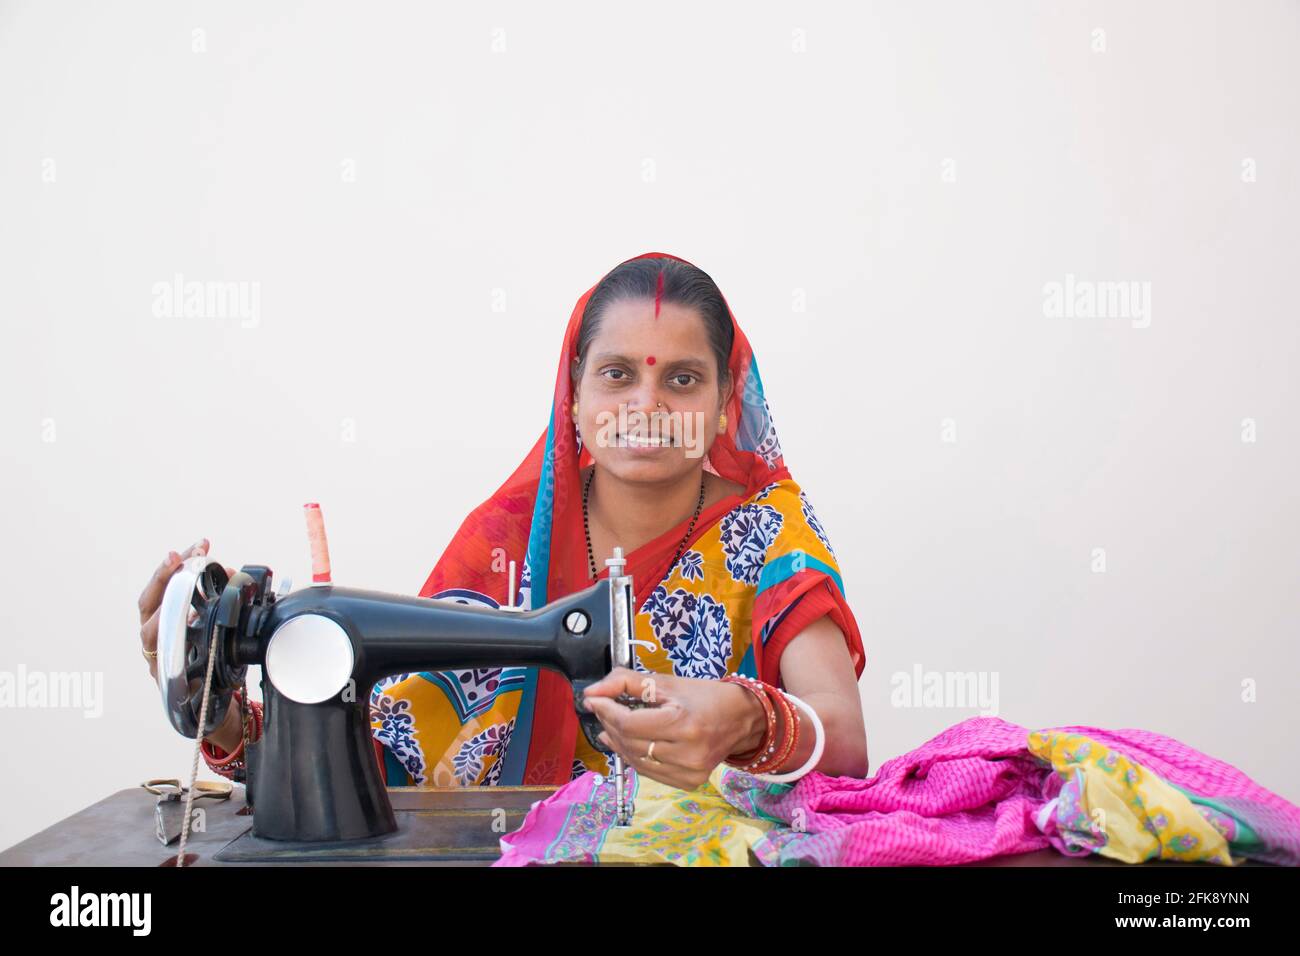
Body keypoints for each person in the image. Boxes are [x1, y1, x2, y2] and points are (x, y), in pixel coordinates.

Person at [137, 251, 868, 792]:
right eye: (617, 375)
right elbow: (380, 748)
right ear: (574, 398)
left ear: (723, 403)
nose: (646, 407)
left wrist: (746, 720)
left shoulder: (771, 531)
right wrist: (222, 708)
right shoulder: (506, 540)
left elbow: (845, 744)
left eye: (682, 379)